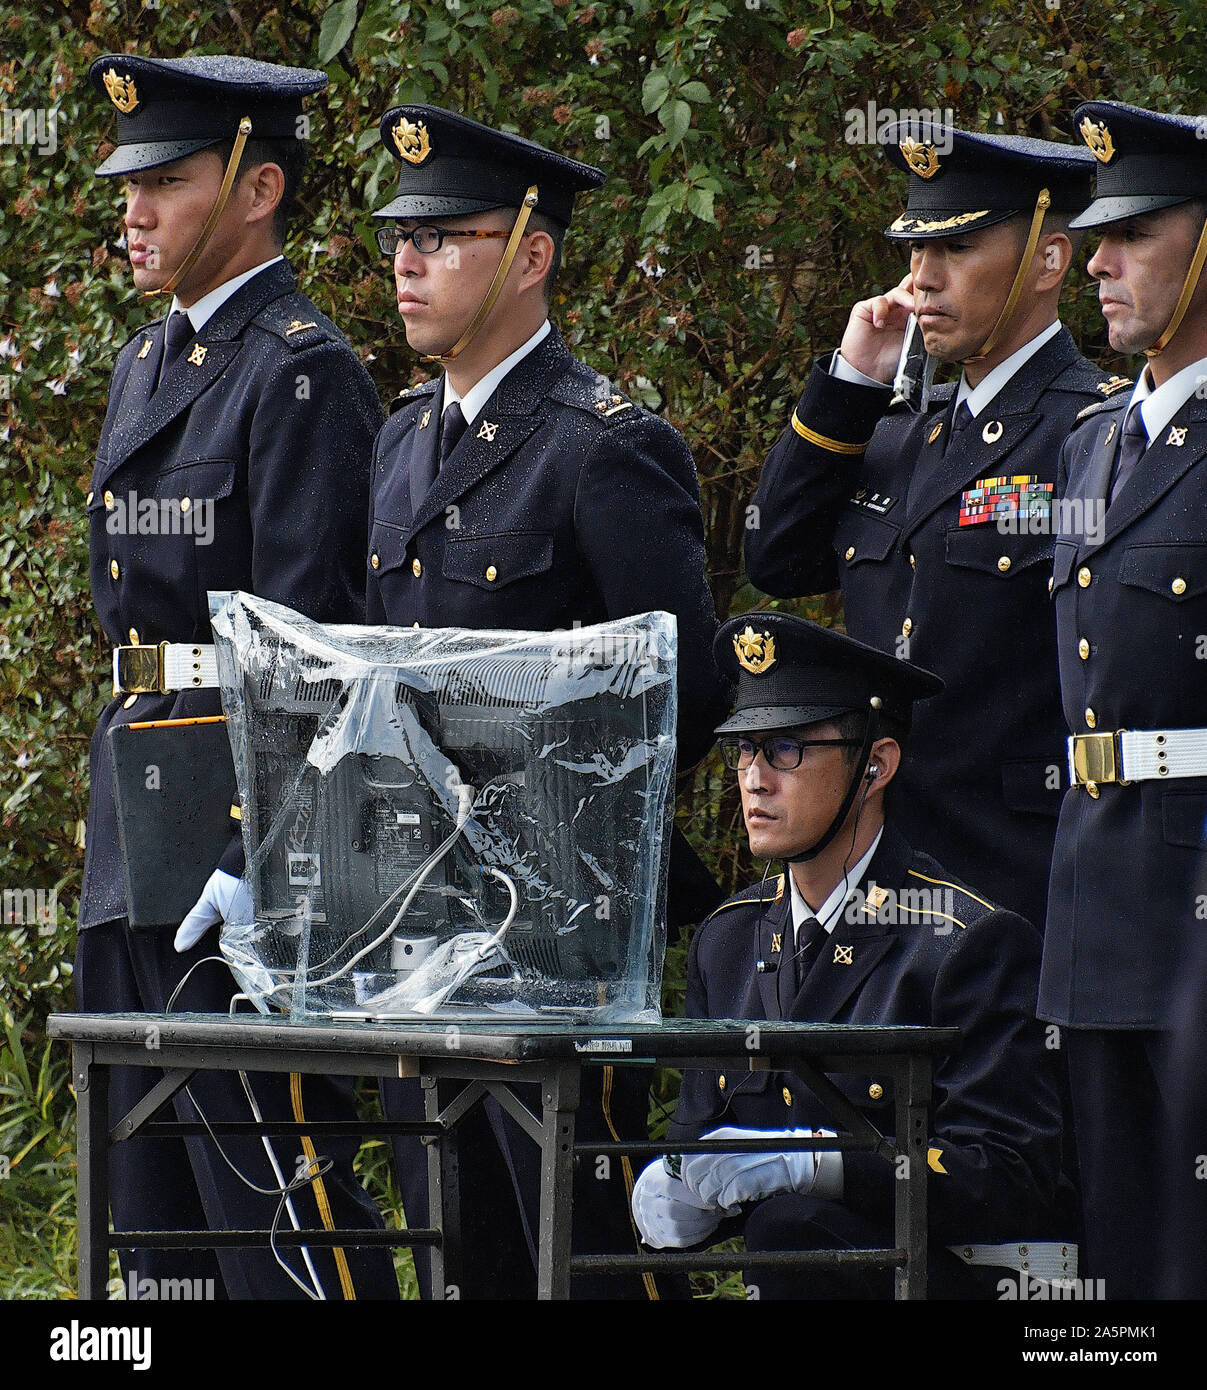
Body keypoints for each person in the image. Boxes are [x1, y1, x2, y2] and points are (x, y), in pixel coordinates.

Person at [364, 104, 730, 1298]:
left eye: (441, 237)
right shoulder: (401, 441)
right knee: (452, 1243)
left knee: (578, 1248)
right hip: (415, 915)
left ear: (530, 255)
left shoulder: (601, 445)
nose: (408, 262)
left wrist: (545, 801)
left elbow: (689, 689)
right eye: (398, 237)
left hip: (565, 925)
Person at [77, 54, 396, 1299]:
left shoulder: (301, 370)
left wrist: (262, 845)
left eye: (166, 181)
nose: (134, 211)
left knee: (277, 1201)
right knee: (150, 1216)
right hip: (137, 805)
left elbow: (319, 649)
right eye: (129, 185)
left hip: (229, 823)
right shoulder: (146, 362)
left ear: (258, 189)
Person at [632, 612, 1075, 1298]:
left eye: (785, 749)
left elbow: (1009, 1177)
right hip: (797, 1281)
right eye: (744, 750)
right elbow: (705, 1144)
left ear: (876, 765)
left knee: (791, 1226)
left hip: (939, 1280)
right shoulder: (727, 941)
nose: (754, 779)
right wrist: (681, 1190)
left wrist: (823, 1166)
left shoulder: (964, 942)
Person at [744, 124, 1118, 933]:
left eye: (956, 249)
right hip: (877, 878)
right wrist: (850, 384)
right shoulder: (897, 430)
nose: (922, 277)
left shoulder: (1095, 432)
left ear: (1048, 261)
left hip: (1016, 876)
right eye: (915, 250)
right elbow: (777, 556)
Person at [1041, 101, 1207, 1299]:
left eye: (1134, 233)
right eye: (1096, 236)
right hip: (1095, 889)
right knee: (1117, 1258)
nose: (1097, 262)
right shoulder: (1091, 446)